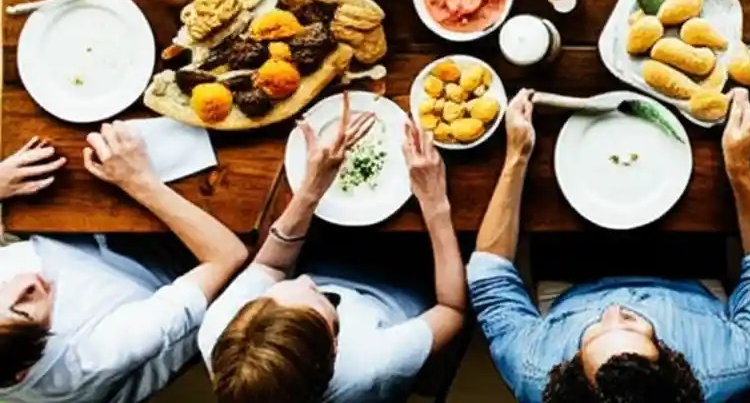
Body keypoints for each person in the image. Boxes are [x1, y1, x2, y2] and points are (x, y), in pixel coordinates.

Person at [468, 88, 750, 402]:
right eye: (633, 325)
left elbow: (490, 275)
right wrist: (739, 169)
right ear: (672, 361)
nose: (612, 311)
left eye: (593, 334)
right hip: (688, 273)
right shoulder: (737, 366)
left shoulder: (533, 370)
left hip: (575, 273)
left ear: (571, 372)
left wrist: (516, 157)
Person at [198, 95, 467, 402]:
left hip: (329, 253)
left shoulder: (221, 337)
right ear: (334, 346)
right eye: (317, 299)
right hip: (404, 285)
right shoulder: (372, 365)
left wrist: (311, 188)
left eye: (275, 293)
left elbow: (270, 267)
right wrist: (435, 203)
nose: (305, 280)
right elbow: (452, 309)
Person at [0, 126, 247, 403]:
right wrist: (140, 182)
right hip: (172, 271)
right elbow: (227, 256)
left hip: (80, 239)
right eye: (23, 311)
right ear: (23, 373)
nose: (26, 282)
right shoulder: (97, 356)